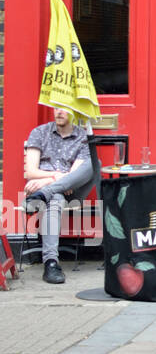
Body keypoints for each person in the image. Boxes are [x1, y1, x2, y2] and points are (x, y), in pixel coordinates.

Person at [23, 108, 97, 284]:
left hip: (71, 192)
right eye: (56, 108)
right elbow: (30, 171)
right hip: (53, 190)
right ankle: (51, 262)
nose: (59, 112)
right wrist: (54, 178)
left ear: (74, 111)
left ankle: (44, 194)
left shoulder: (82, 136)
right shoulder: (39, 132)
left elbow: (74, 177)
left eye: (64, 108)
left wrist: (48, 184)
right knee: (55, 199)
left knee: (95, 163)